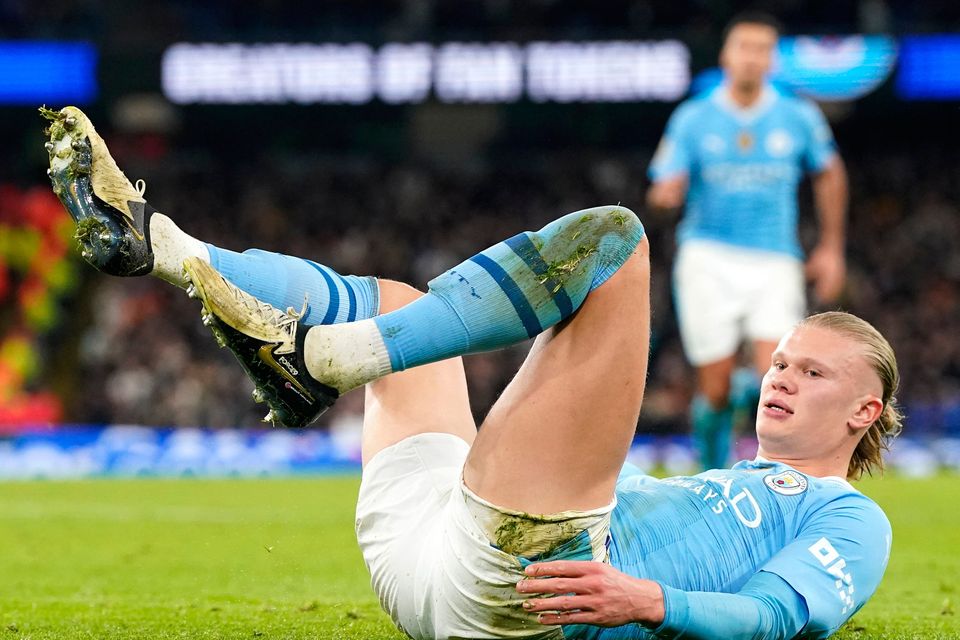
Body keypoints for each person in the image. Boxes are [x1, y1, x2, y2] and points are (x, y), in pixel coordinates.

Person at [45, 106, 899, 639]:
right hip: (428, 542)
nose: (781, 375)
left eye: (812, 373)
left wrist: (652, 605)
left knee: (618, 245)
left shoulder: (849, 517)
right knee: (395, 300)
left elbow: (782, 617)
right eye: (782, 360)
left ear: (866, 410)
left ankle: (317, 364)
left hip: (522, 589)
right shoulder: (723, 482)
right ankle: (166, 244)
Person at [646, 12, 849, 470]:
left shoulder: (797, 115)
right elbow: (661, 187)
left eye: (762, 50)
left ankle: (773, 480)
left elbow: (830, 173)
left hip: (775, 258)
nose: (752, 58)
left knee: (777, 375)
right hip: (707, 256)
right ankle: (712, 473)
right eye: (744, 47)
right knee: (714, 388)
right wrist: (666, 194)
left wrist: (831, 247)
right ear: (726, 55)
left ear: (772, 59)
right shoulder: (693, 118)